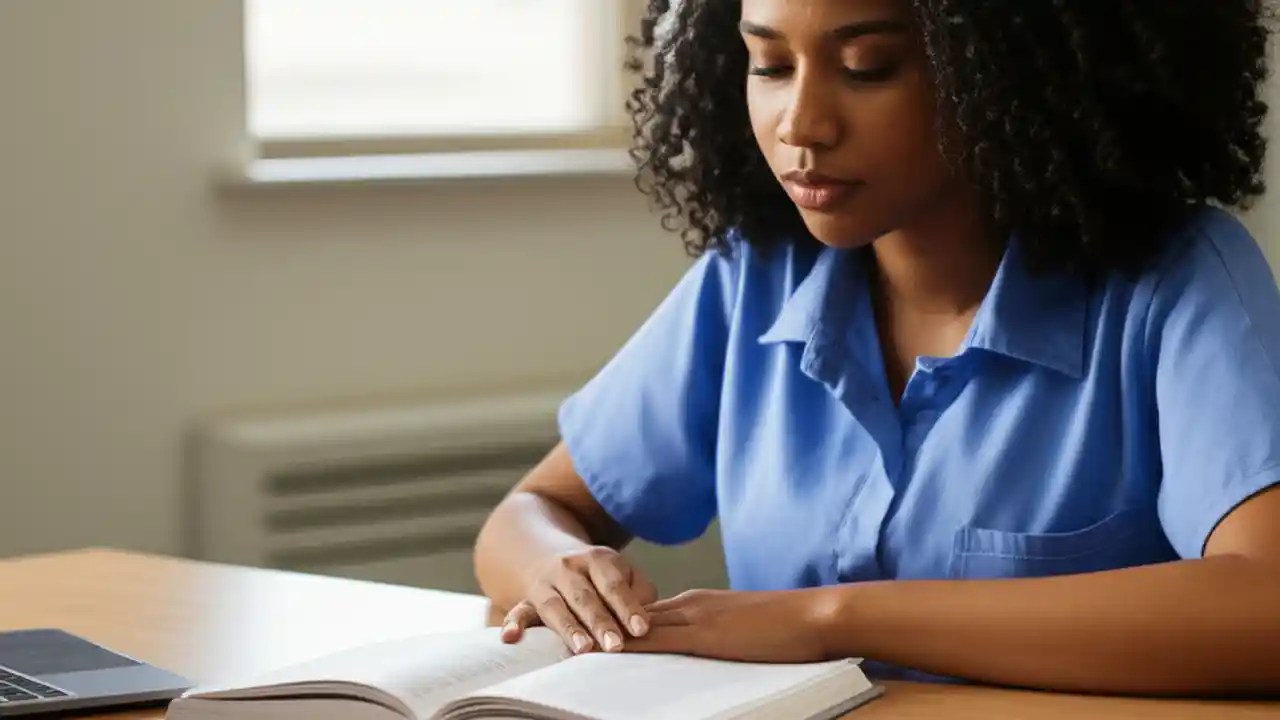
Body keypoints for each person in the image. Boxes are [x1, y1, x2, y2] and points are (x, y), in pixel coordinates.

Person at [474, 0, 1280, 695]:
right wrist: (556, 570)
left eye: (868, 68)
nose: (801, 125)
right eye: (769, 65)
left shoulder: (1174, 280)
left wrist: (830, 618)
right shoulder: (754, 277)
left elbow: (1267, 606)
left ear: (1010, 72)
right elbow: (533, 513)